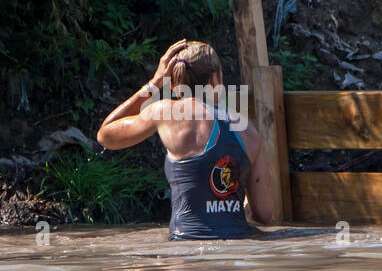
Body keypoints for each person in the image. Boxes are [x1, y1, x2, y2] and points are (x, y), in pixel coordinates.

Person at [97, 39, 274, 239]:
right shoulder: (247, 130)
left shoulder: (163, 112)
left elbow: (105, 136)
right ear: (215, 79)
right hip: (238, 245)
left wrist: (153, 85)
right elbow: (263, 214)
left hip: (184, 247)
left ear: (172, 84)